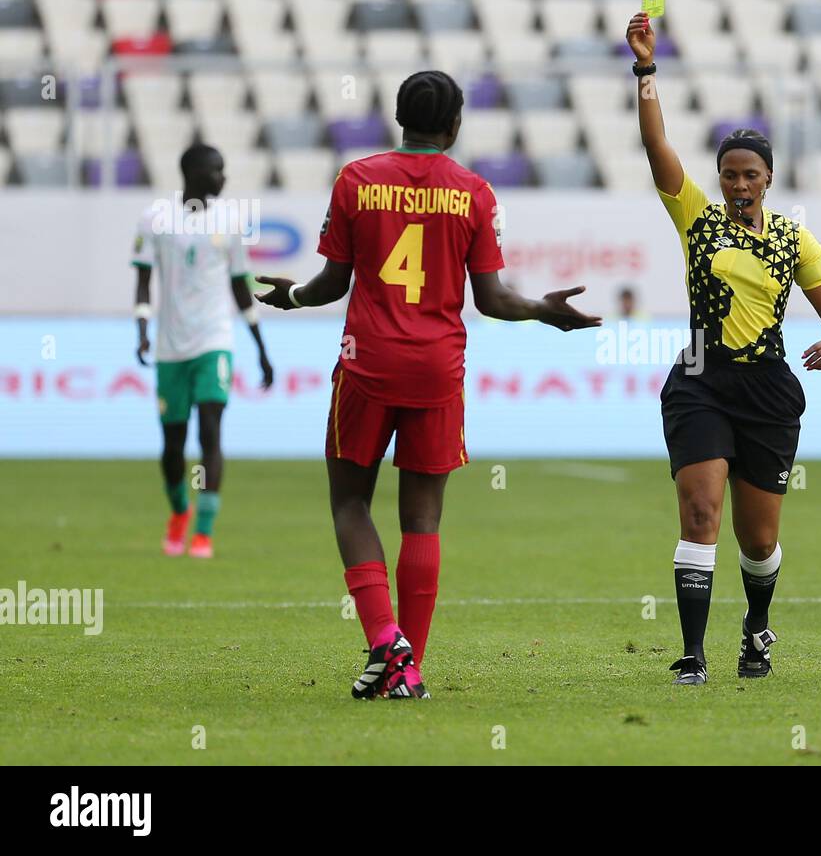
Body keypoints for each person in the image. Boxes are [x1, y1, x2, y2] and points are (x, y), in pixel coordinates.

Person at [256, 71, 600, 699]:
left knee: (349, 503)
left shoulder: (356, 180)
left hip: (367, 363)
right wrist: (544, 311)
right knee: (423, 520)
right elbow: (492, 300)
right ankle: (408, 673)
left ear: (397, 117)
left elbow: (331, 284)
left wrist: (295, 297)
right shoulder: (473, 192)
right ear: (455, 126)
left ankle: (386, 641)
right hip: (437, 368)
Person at [626, 12, 821, 685]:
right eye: (729, 174)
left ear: (768, 178)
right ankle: (692, 655)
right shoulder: (695, 218)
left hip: (768, 390)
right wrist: (645, 68)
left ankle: (756, 631)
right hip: (699, 381)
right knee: (700, 513)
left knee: (758, 541)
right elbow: (656, 145)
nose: (738, 184)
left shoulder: (794, 239)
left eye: (750, 174)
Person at [133, 143, 273, 559]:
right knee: (173, 443)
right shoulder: (156, 219)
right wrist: (141, 328)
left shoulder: (230, 221)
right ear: (192, 172)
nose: (223, 178)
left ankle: (204, 532)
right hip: (170, 346)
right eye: (216, 170)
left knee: (211, 430)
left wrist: (261, 347)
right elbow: (142, 279)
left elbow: (239, 286)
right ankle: (179, 510)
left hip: (215, 341)